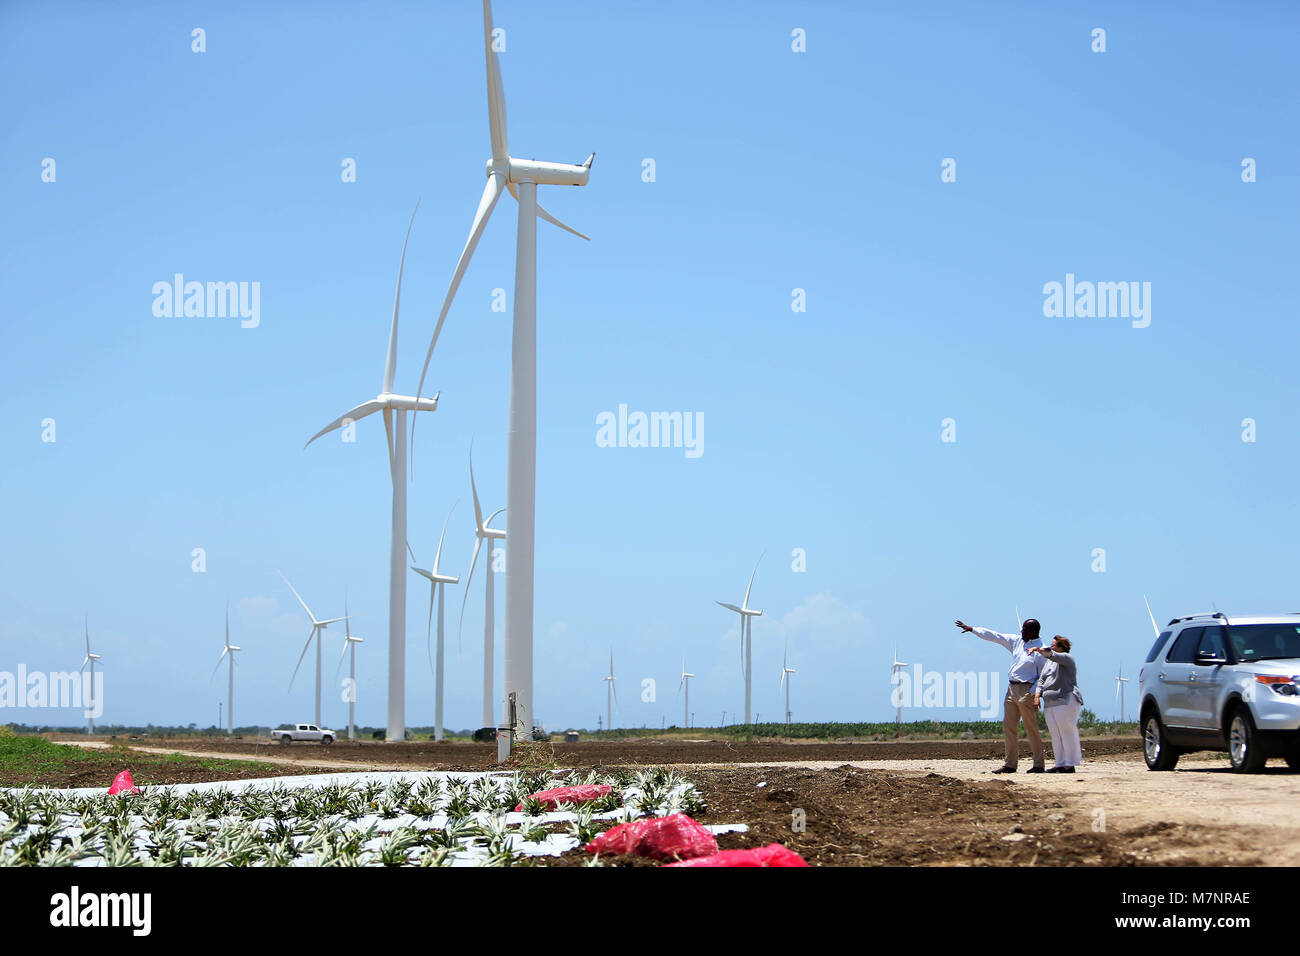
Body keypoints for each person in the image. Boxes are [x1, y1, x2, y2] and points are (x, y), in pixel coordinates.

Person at [954, 617, 1045, 773]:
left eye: (1024, 628)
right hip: (1011, 689)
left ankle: (1038, 764)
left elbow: (1043, 676)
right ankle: (1010, 764)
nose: (1021, 630)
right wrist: (973, 629)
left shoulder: (1041, 650)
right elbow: (996, 636)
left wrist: (1033, 693)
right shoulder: (1017, 641)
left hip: (1026, 690)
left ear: (1033, 631)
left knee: (1031, 728)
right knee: (1009, 727)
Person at [1030, 636, 1083, 773]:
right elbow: (1041, 679)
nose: (1050, 647)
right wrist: (1037, 695)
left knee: (1066, 731)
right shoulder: (1049, 663)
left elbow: (1052, 655)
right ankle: (1059, 763)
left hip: (1065, 699)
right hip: (1050, 702)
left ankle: (1069, 764)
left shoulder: (1066, 658)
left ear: (1061, 647)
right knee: (1055, 733)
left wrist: (1039, 650)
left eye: (1053, 645)